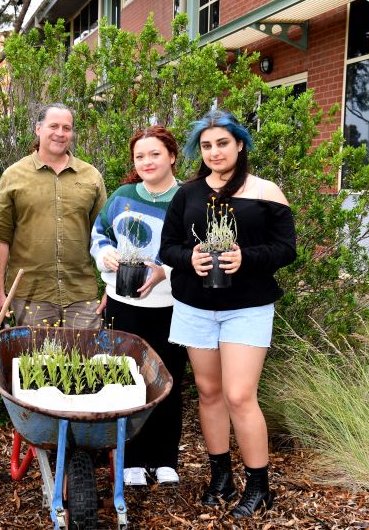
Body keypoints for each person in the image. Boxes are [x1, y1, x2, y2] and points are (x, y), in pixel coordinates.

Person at [159, 110, 296, 518]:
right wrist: (190, 259)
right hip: (194, 307)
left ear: (240, 144)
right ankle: (221, 476)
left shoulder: (266, 191)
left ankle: (259, 485)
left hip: (247, 308)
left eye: (222, 143)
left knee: (239, 395)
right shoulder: (188, 193)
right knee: (209, 392)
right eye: (206, 145)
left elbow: (287, 249)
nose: (214, 152)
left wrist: (245, 258)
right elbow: (167, 247)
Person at [90, 126, 188, 486]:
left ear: (172, 156)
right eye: (140, 156)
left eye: (155, 154)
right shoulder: (123, 195)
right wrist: (105, 252)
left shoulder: (188, 198)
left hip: (171, 307)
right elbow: (99, 233)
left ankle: (164, 459)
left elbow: (197, 248)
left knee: (167, 380)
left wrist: (165, 270)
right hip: (122, 304)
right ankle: (130, 459)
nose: (147, 162)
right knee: (124, 379)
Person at [0, 103, 107, 329]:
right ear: (38, 129)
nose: (60, 133)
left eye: (67, 128)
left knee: (87, 362)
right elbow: (1, 238)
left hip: (81, 295)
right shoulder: (13, 176)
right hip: (30, 296)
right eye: (53, 126)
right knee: (35, 363)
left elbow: (105, 237)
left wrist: (112, 289)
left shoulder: (91, 176)